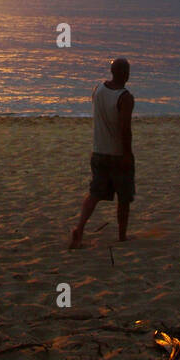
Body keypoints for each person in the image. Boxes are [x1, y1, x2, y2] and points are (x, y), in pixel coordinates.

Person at [69, 58, 134, 248]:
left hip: (98, 151)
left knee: (94, 194)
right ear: (125, 74)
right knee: (124, 197)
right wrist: (127, 154)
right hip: (117, 154)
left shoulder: (97, 90)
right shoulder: (125, 97)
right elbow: (125, 129)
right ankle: (122, 236)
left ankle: (79, 228)